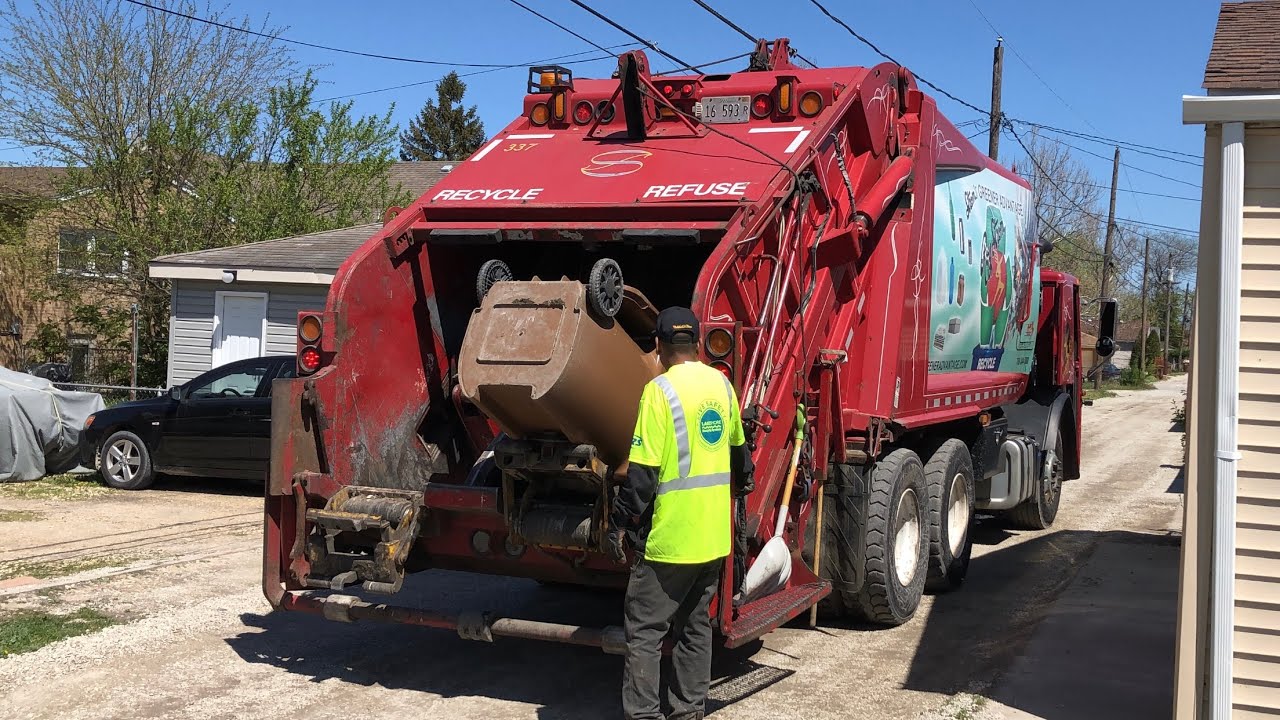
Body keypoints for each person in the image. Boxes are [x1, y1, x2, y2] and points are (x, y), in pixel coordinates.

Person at [609, 306, 754, 720]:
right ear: (695, 344)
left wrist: (619, 523)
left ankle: (644, 716)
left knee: (644, 633)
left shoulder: (659, 392)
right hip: (711, 540)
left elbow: (642, 479)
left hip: (669, 543)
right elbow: (741, 461)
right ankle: (689, 713)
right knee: (694, 630)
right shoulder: (722, 387)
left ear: (658, 346)